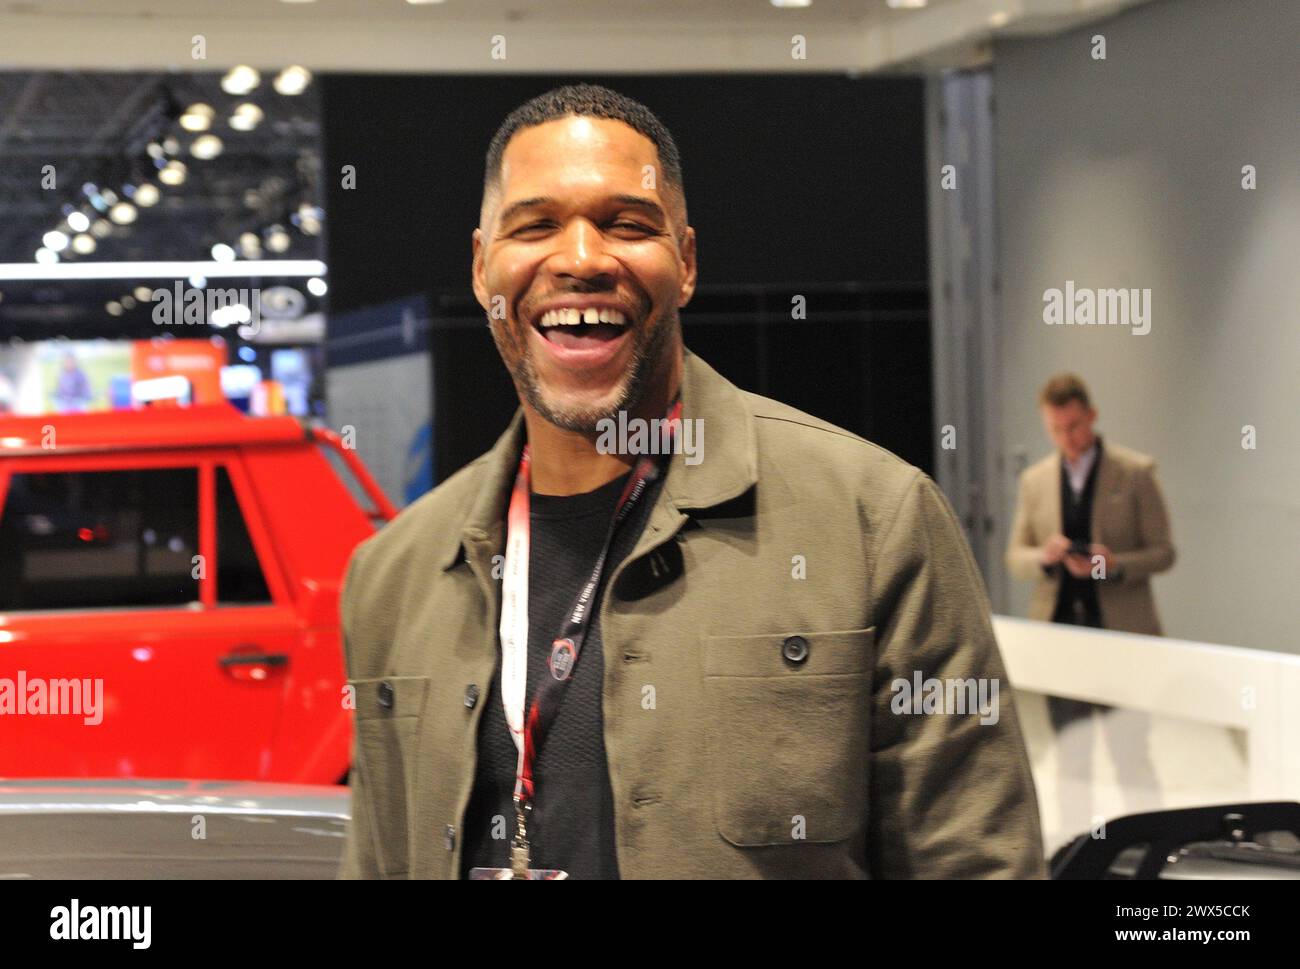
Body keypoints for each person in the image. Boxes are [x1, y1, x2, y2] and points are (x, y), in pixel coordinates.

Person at [339, 83, 1044, 880]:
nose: (579, 259)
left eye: (626, 225)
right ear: (481, 268)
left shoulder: (873, 519)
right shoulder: (392, 576)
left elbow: (978, 859)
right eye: (535, 225)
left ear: (687, 264)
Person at [1006, 373, 1175, 825]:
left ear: (1092, 417)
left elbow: (1164, 553)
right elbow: (1015, 557)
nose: (1067, 438)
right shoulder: (1035, 479)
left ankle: (1147, 848)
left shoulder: (1135, 472)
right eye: (1056, 429)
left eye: (1074, 427)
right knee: (1070, 754)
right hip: (1061, 637)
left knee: (1131, 752)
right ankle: (1075, 851)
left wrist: (1111, 564)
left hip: (1122, 635)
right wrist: (1047, 557)